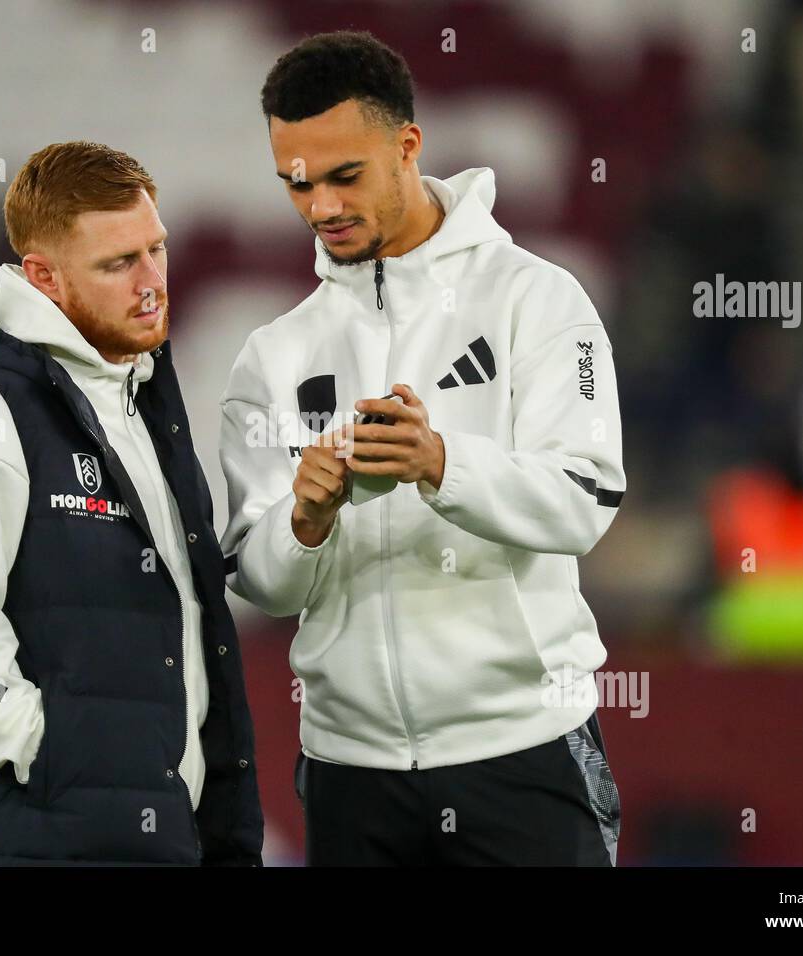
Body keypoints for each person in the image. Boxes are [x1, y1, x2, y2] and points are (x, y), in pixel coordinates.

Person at [220, 31, 625, 865]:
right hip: (349, 770)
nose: (320, 206)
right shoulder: (274, 353)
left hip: (524, 751)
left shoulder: (540, 301)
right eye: (296, 182)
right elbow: (256, 580)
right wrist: (305, 520)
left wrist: (443, 465)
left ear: (407, 145)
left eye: (344, 176)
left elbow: (586, 498)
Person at [0, 141, 263, 865]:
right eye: (119, 264)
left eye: (157, 249)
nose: (152, 281)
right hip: (35, 838)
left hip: (145, 833)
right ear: (44, 277)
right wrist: (43, 747)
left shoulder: (139, 400)